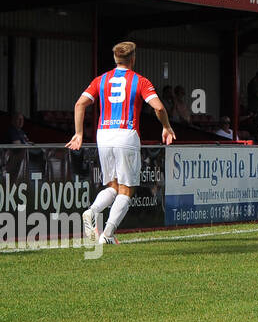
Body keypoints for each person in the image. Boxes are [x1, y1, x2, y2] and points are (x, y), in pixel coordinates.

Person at [67, 41, 176, 246]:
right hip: (126, 133)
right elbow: (159, 108)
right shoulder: (140, 81)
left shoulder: (101, 80)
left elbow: (80, 104)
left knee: (113, 185)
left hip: (104, 134)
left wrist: (79, 133)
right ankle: (107, 234)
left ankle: (91, 212)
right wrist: (166, 127)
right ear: (133, 59)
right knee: (127, 189)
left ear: (115, 59)